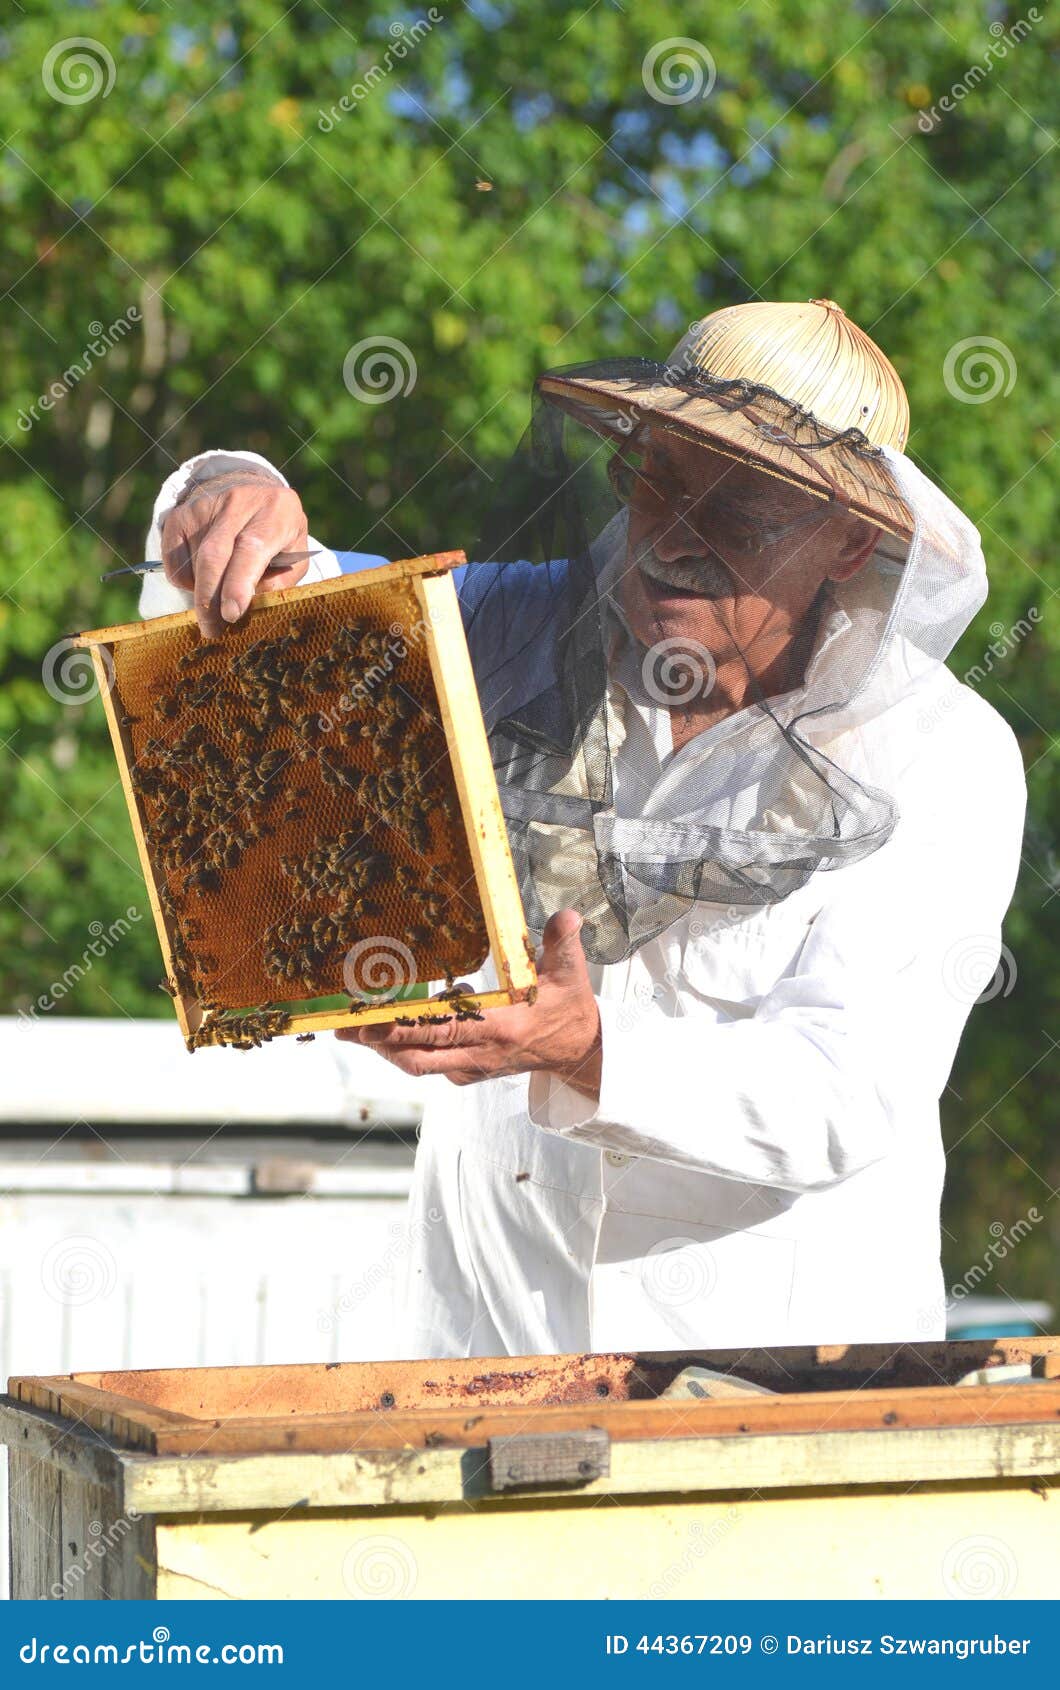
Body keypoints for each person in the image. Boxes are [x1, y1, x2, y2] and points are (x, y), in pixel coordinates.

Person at [141, 298, 1026, 1357]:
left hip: (781, 1393)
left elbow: (842, 1087)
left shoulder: (939, 753)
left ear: (848, 543)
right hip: (491, 1355)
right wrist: (221, 497)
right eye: (661, 479)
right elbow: (285, 604)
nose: (676, 538)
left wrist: (592, 1046)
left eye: (738, 512)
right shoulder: (510, 628)